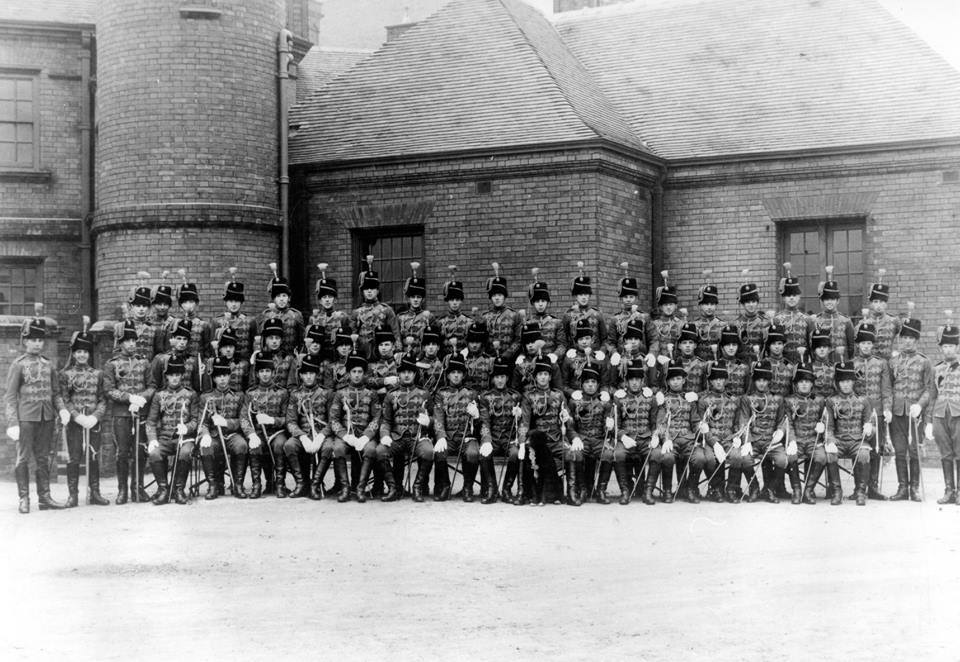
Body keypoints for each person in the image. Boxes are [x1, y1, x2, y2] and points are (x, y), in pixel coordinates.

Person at [5, 305, 65, 513]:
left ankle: (44, 497)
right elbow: (10, 397)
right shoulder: (18, 365)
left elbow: (56, 393)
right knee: (23, 458)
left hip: (46, 418)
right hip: (26, 419)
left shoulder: (49, 365)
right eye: (33, 339)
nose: (37, 344)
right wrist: (12, 423)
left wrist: (62, 410)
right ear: (25, 341)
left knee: (44, 458)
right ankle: (24, 498)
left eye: (40, 340)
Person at [56, 318, 109, 507]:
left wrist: (95, 417)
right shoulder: (65, 375)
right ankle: (73, 495)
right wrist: (76, 416)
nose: (81, 355)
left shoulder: (98, 374)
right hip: (75, 422)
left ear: (89, 354)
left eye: (85, 352)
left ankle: (95, 493)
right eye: (78, 351)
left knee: (93, 455)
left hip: (93, 422)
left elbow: (103, 399)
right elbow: (64, 398)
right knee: (74, 457)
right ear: (73, 353)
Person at [104, 320, 155, 504]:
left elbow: (152, 386)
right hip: (122, 415)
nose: (131, 344)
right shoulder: (112, 364)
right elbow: (109, 390)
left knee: (140, 452)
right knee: (122, 452)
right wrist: (129, 398)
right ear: (120, 342)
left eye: (134, 340)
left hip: (140, 413)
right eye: (127, 340)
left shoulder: (144, 363)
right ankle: (122, 490)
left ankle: (138, 489)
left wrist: (141, 398)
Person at [888, 306, 934, 501]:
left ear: (917, 340)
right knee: (899, 451)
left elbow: (930, 389)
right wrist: (887, 409)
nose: (907, 341)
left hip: (915, 412)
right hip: (897, 412)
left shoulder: (925, 362)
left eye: (911, 338)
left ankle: (914, 488)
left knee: (914, 450)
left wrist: (920, 405)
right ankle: (902, 488)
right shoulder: (893, 362)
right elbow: (888, 387)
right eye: (904, 337)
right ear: (900, 339)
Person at [328, 349, 381, 502]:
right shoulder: (340, 393)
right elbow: (334, 420)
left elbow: (376, 418)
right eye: (354, 371)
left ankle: (360, 488)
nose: (357, 375)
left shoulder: (371, 394)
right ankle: (345, 488)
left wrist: (366, 436)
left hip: (364, 434)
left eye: (360, 371)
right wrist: (345, 436)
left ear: (364, 373)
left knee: (371, 449)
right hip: (346, 435)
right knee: (337, 448)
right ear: (349, 373)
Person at [378, 354, 433, 502]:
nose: (407, 375)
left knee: (428, 452)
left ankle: (417, 487)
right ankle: (394, 487)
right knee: (380, 451)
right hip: (397, 438)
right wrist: (385, 435)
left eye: (410, 372)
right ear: (399, 374)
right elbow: (386, 420)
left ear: (415, 374)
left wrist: (428, 421)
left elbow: (434, 418)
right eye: (403, 372)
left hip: (417, 437)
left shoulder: (424, 394)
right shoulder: (391, 395)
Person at [145, 357, 199, 505]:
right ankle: (163, 489)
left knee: (185, 452)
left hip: (184, 439)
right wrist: (152, 440)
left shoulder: (191, 394)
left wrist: (187, 428)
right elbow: (150, 421)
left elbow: (196, 420)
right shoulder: (159, 395)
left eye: (177, 375)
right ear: (166, 377)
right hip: (164, 438)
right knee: (154, 453)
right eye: (171, 375)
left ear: (182, 376)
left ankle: (179, 489)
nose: (174, 378)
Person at [519, 353, 569, 505]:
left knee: (575, 455)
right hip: (537, 443)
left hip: (556, 439)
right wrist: (522, 442)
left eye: (545, 374)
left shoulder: (558, 395)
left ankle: (573, 491)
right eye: (539, 374)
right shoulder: (528, 397)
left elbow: (569, 420)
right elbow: (524, 423)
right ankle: (524, 492)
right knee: (519, 455)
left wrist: (567, 418)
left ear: (550, 376)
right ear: (535, 377)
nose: (542, 377)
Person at [822, 361, 875, 506]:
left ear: (853, 382)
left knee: (864, 454)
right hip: (839, 440)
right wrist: (830, 441)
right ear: (837, 383)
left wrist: (869, 429)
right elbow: (829, 427)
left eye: (848, 381)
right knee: (830, 454)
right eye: (842, 382)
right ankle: (837, 491)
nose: (845, 385)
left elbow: (870, 424)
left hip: (858, 440)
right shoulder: (831, 401)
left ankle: (860, 491)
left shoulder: (863, 401)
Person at [734, 360, 786, 503]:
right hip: (754, 441)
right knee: (744, 459)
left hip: (771, 441)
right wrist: (747, 441)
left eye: (764, 380)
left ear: (769, 381)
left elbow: (782, 421)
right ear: (754, 381)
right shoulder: (747, 399)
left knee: (782, 460)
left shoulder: (778, 399)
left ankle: (770, 489)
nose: (762, 383)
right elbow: (743, 422)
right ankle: (754, 487)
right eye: (758, 380)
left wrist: (780, 432)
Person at [198, 357, 249, 499]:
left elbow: (243, 420)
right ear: (214, 379)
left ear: (229, 376)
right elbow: (201, 422)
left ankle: (237, 484)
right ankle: (213, 485)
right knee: (206, 447)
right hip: (214, 435)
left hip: (233, 435)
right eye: (218, 376)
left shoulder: (239, 396)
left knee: (242, 445)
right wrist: (206, 434)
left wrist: (226, 422)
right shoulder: (206, 397)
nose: (222, 379)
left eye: (225, 375)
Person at [851, 321, 892, 500]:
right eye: (863, 343)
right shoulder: (851, 364)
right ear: (858, 344)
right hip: (857, 413)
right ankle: (857, 487)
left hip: (876, 412)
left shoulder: (881, 363)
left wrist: (887, 409)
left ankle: (873, 487)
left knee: (876, 448)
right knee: (857, 447)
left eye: (869, 343)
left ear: (873, 344)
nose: (866, 346)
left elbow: (886, 389)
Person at [611, 361, 661, 505]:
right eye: (631, 380)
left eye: (637, 380)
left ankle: (648, 491)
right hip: (626, 438)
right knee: (618, 454)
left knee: (657, 453)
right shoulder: (619, 398)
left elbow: (655, 422)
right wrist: (622, 436)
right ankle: (625, 491)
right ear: (626, 382)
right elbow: (615, 423)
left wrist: (655, 435)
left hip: (645, 438)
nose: (634, 383)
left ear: (642, 381)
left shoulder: (650, 399)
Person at [432, 355, 481, 501]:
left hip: (467, 437)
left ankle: (467, 487)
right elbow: (438, 417)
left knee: (472, 453)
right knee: (439, 452)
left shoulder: (472, 393)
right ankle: (445, 486)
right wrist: (440, 437)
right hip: (449, 437)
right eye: (453, 372)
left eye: (459, 372)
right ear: (448, 375)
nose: (456, 375)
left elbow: (479, 421)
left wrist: (476, 415)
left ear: (463, 375)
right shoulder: (441, 394)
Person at [242, 353, 290, 498]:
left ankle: (280, 484)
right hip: (258, 432)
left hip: (277, 433)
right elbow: (244, 418)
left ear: (273, 372)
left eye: (267, 371)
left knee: (279, 445)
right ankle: (257, 484)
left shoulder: (282, 393)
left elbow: (287, 419)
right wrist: (251, 434)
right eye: (261, 371)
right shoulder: (250, 394)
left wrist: (272, 420)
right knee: (255, 446)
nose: (265, 374)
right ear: (257, 374)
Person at [284, 355, 332, 499]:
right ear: (301, 375)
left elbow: (333, 421)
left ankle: (316, 484)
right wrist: (303, 437)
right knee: (289, 445)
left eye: (312, 373)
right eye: (306, 374)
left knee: (329, 448)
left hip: (322, 435)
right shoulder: (295, 395)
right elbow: (290, 421)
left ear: (317, 375)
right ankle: (302, 483)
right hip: (303, 434)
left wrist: (322, 436)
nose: (309, 377)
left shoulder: (327, 393)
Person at [566, 361, 614, 504]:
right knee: (576, 453)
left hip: (599, 439)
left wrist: (609, 427)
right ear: (582, 385)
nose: (591, 385)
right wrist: (575, 438)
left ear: (598, 384)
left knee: (608, 454)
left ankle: (600, 490)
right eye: (587, 382)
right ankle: (582, 490)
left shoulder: (605, 402)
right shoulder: (575, 402)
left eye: (593, 382)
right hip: (582, 439)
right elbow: (570, 425)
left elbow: (608, 425)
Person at [478, 354, 524, 503]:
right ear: (492, 378)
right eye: (497, 377)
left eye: (503, 376)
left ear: (507, 378)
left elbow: (522, 423)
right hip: (493, 438)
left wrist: (519, 416)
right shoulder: (486, 397)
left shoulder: (516, 397)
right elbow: (484, 421)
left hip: (509, 438)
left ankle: (506, 489)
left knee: (515, 454)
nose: (500, 380)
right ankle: (491, 489)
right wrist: (486, 440)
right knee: (484, 453)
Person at [655, 359, 700, 503]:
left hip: (688, 439)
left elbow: (695, 421)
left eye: (678, 378)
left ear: (684, 380)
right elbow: (661, 423)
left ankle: (689, 488)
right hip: (671, 440)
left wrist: (700, 429)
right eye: (672, 379)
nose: (675, 382)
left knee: (699, 458)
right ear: (668, 382)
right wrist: (665, 439)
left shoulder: (690, 398)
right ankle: (667, 490)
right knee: (667, 457)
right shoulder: (663, 399)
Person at [697, 360, 740, 502]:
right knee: (709, 459)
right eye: (715, 379)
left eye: (721, 378)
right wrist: (714, 443)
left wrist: (737, 436)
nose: (719, 382)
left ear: (726, 380)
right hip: (711, 440)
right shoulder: (703, 400)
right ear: (710, 381)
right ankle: (716, 488)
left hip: (728, 438)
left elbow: (736, 423)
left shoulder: (733, 400)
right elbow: (702, 426)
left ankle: (731, 488)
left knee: (736, 456)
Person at [784, 363, 826, 504]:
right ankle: (797, 490)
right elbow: (788, 423)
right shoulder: (789, 401)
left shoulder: (819, 401)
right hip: (797, 440)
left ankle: (808, 490)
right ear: (796, 384)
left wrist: (822, 427)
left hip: (813, 440)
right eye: (801, 382)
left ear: (812, 384)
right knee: (791, 456)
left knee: (821, 457)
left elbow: (824, 419)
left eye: (807, 382)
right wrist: (792, 441)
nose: (804, 385)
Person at [931, 314, 960, 505]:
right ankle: (949, 490)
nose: (947, 349)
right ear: (941, 348)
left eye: (951, 346)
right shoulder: (937, 369)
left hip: (958, 414)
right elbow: (933, 394)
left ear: (957, 347)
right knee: (945, 453)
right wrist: (929, 420)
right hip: (940, 414)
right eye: (945, 346)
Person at [350, 255, 399, 357]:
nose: (369, 291)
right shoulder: (357, 313)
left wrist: (397, 352)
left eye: (372, 288)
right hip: (362, 352)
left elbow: (395, 333)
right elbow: (352, 335)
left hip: (382, 353)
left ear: (377, 290)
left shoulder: (386, 310)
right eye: (366, 289)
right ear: (362, 291)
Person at [809, 266, 854, 361]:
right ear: (822, 301)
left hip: (841, 363)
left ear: (837, 301)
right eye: (826, 299)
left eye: (832, 299)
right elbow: (812, 346)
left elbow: (851, 347)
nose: (829, 302)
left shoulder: (846, 321)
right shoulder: (816, 321)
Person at [560, 262, 606, 353]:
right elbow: (564, 339)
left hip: (594, 356)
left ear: (589, 296)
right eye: (580, 294)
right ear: (576, 296)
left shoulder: (597, 314)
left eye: (586, 294)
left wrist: (602, 352)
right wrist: (569, 352)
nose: (583, 297)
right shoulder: (568, 315)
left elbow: (605, 339)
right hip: (575, 357)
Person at [212, 267, 257, 362]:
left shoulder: (250, 322)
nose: (233, 304)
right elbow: (213, 348)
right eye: (230, 301)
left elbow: (254, 347)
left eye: (237, 301)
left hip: (244, 364)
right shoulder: (217, 322)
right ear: (225, 302)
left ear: (241, 302)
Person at [773, 262, 813, 364]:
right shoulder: (777, 319)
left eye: (794, 295)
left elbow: (811, 346)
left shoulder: (807, 319)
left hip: (802, 367)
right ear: (783, 297)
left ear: (799, 296)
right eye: (788, 295)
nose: (791, 298)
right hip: (783, 367)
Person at [261, 262, 304, 355]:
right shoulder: (267, 315)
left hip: (291, 358)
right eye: (278, 296)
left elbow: (301, 340)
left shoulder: (296, 315)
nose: (281, 299)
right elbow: (262, 340)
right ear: (273, 298)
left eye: (284, 296)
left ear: (289, 298)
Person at [482, 262, 522, 361]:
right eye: (494, 295)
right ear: (491, 297)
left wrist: (507, 354)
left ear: (504, 296)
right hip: (490, 359)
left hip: (509, 359)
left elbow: (518, 339)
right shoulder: (485, 317)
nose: (497, 298)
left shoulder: (514, 315)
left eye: (500, 295)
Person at [605, 261, 647, 357]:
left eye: (631, 297)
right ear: (621, 298)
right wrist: (614, 353)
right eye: (625, 297)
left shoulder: (644, 317)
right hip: (621, 358)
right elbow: (610, 342)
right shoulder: (615, 319)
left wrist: (652, 354)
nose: (628, 300)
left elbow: (652, 339)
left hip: (642, 357)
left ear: (635, 298)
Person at [173, 269, 213, 361]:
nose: (188, 305)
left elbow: (207, 350)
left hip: (198, 365)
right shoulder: (175, 323)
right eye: (185, 302)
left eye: (191, 302)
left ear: (196, 303)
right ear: (180, 305)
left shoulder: (204, 325)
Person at [527, 268, 565, 361]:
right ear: (532, 303)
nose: (540, 304)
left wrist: (555, 355)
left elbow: (562, 345)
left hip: (551, 363)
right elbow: (524, 346)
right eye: (537, 301)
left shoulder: (557, 323)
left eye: (543, 301)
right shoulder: (528, 323)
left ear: (547, 302)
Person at [734, 269, 770, 363]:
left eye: (753, 301)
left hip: (760, 365)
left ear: (757, 302)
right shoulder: (737, 323)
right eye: (747, 302)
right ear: (743, 304)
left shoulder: (765, 322)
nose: (751, 305)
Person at [397, 262, 432, 356]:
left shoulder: (429, 317)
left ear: (423, 299)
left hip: (423, 356)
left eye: (418, 297)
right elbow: (398, 339)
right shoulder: (401, 317)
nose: (416, 300)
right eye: (413, 297)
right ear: (409, 298)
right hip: (405, 357)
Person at [437, 265, 472, 356]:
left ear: (461, 301)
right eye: (452, 300)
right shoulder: (441, 322)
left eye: (457, 300)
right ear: (448, 301)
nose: (455, 303)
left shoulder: (468, 321)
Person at [646, 270, 682, 358]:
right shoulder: (654, 324)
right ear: (661, 307)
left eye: (671, 304)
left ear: (676, 306)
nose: (669, 307)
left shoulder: (681, 324)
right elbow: (652, 344)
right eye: (666, 305)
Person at [693, 269, 724, 362]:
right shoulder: (694, 325)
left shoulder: (722, 325)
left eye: (712, 304)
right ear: (700, 305)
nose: (709, 307)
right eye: (706, 304)